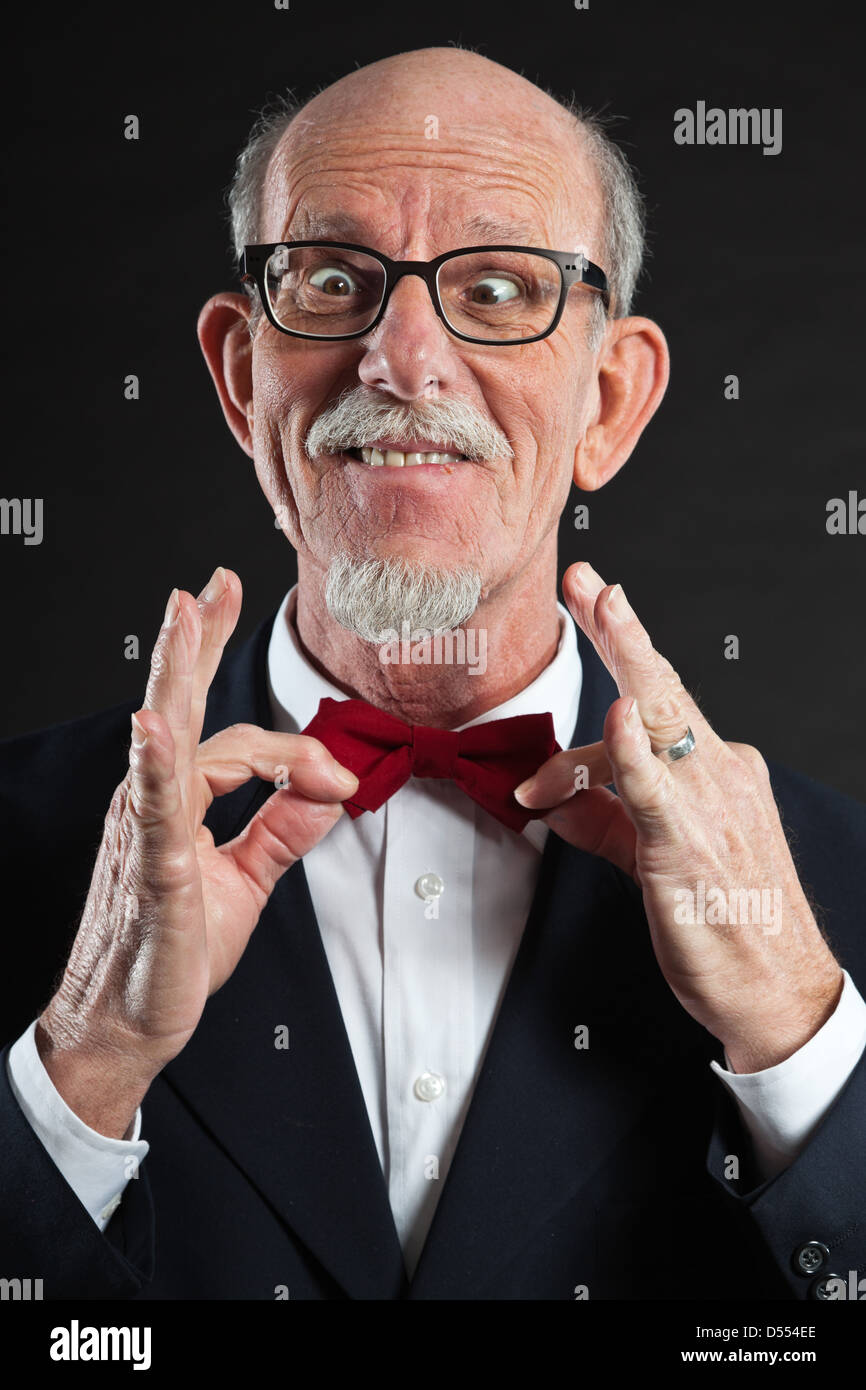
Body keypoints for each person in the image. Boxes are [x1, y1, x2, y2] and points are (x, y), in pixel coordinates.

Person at [2, 47, 864, 1301]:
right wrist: (87, 1059)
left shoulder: (835, 902)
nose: (402, 359)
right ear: (243, 379)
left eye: (502, 287)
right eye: (335, 278)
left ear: (609, 402)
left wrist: (795, 1041)